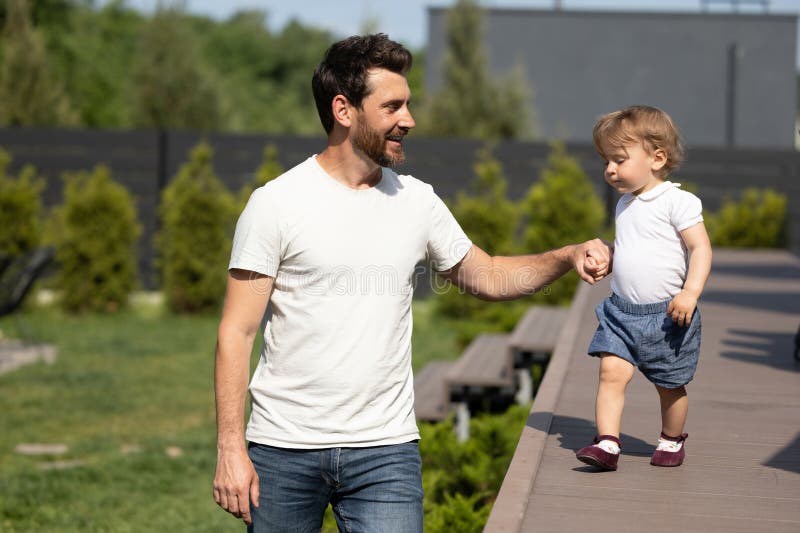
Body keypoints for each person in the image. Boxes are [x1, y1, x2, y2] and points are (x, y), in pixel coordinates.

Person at [213, 33, 611, 532]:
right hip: (283, 449)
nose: (409, 119)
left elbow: (488, 275)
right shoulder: (276, 204)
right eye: (392, 106)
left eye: (408, 104)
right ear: (343, 110)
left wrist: (566, 255)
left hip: (385, 451)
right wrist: (230, 448)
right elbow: (237, 333)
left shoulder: (416, 200)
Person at [576, 105, 712, 472]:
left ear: (657, 158)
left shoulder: (677, 202)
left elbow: (700, 248)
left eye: (619, 160)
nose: (610, 169)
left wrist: (690, 292)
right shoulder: (625, 203)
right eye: (606, 161)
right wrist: (611, 259)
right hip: (621, 313)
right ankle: (607, 442)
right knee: (611, 372)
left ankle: (671, 439)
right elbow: (635, 248)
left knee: (670, 385)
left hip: (667, 316)